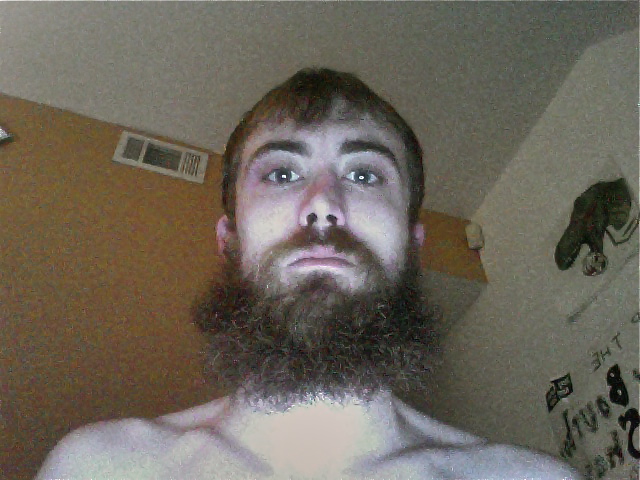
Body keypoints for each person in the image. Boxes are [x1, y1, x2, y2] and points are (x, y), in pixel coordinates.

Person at [36, 68, 581, 479]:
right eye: (282, 173)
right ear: (229, 240)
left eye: (364, 174)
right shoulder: (99, 467)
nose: (323, 204)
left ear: (413, 246)